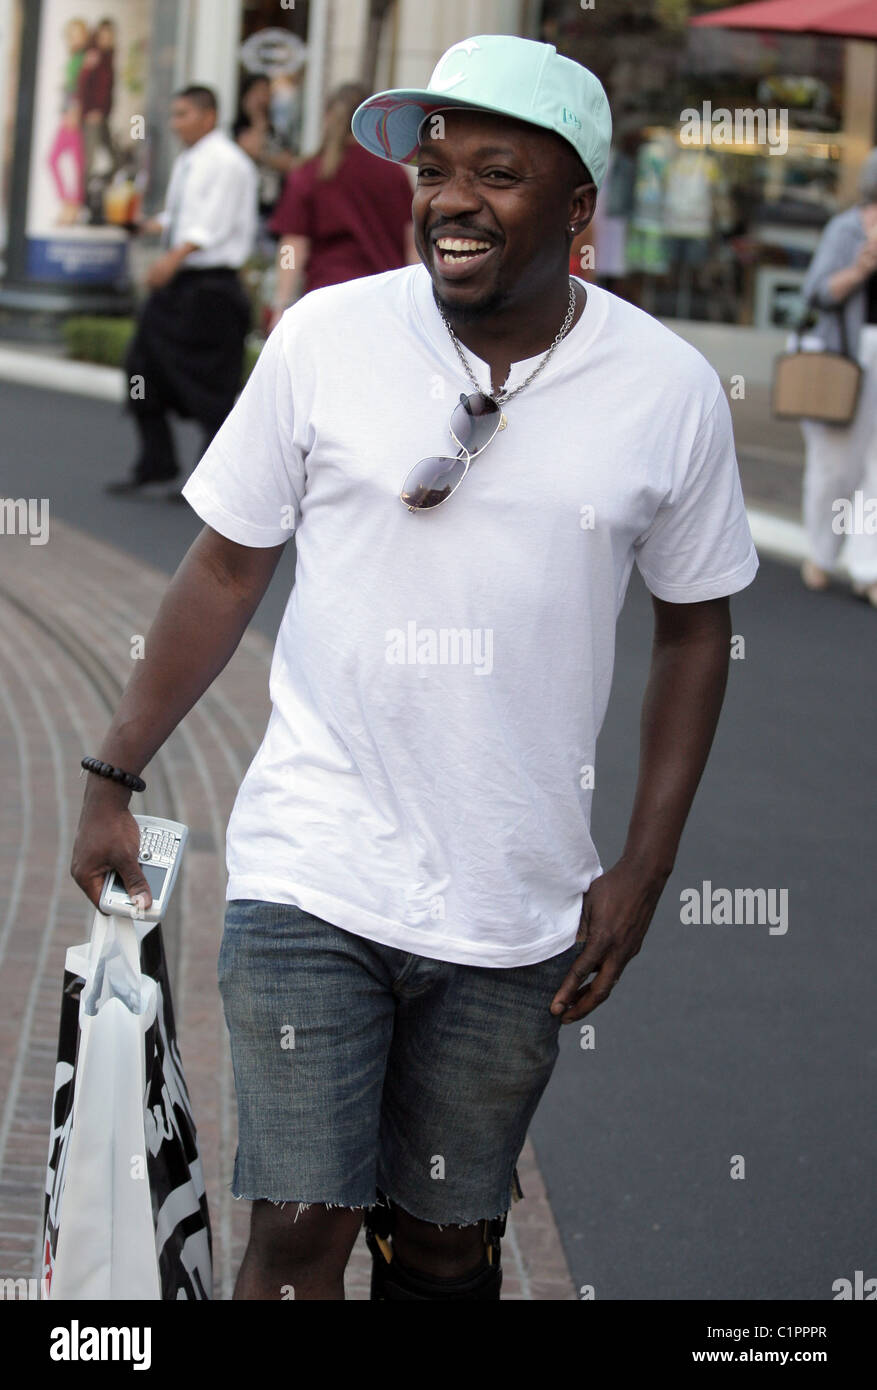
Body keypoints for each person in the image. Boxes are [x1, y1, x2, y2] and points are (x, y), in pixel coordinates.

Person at [72, 35, 758, 1300]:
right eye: (435, 166)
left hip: (514, 902)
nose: (452, 197)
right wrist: (114, 770)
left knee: (447, 1246)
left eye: (497, 172)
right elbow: (226, 569)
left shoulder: (665, 392)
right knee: (294, 1231)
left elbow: (695, 627)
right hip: (311, 869)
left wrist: (645, 866)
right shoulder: (329, 336)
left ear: (579, 210)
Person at [106, 86, 258, 497]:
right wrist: (148, 226)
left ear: (208, 116)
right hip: (181, 287)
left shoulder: (227, 162)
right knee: (141, 367)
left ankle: (211, 480)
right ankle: (156, 462)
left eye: (182, 114)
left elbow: (210, 226)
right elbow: (183, 217)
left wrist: (170, 259)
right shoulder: (191, 160)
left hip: (211, 289)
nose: (174, 124)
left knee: (210, 385)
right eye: (172, 115)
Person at [267, 81, 416, 329]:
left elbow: (291, 247)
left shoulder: (310, 173)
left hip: (326, 301)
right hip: (385, 305)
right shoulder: (393, 172)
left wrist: (281, 302)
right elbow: (413, 246)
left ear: (327, 117)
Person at [798, 147, 877, 607]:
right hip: (846, 355)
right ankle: (822, 554)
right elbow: (817, 292)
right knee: (835, 464)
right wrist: (861, 269)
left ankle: (868, 567)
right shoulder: (846, 228)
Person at [233, 72, 298, 230]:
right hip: (247, 207)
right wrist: (256, 116)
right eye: (257, 92)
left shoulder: (276, 132)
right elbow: (252, 149)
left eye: (266, 92)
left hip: (274, 205)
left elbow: (290, 164)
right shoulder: (237, 129)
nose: (262, 98)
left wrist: (264, 156)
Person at [47, 17, 88, 225]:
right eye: (71, 35)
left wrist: (75, 111)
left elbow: (81, 88)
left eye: (78, 34)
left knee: (77, 164)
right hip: (68, 114)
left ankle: (73, 206)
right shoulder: (74, 58)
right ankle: (68, 203)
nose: (74, 39)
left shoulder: (84, 58)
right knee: (58, 160)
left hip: (75, 115)